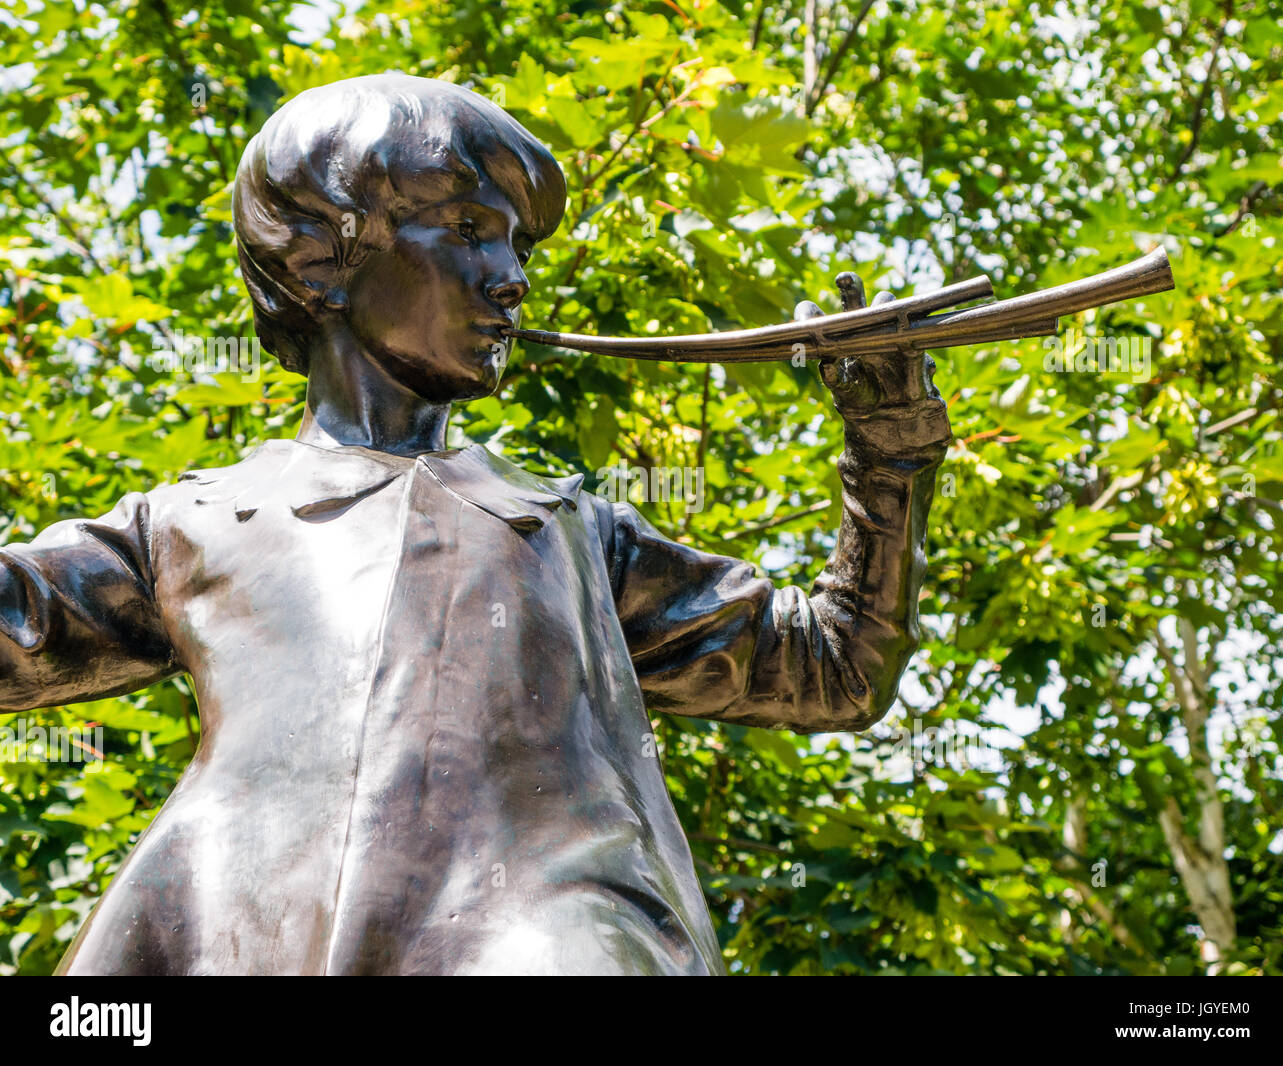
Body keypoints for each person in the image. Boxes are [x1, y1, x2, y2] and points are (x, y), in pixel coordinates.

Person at [0, 74, 951, 975]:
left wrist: (890, 450)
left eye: (515, 248)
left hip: (542, 926)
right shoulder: (196, 522)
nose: (510, 280)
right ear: (323, 264)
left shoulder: (572, 533)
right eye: (467, 231)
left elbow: (833, 668)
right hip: (237, 923)